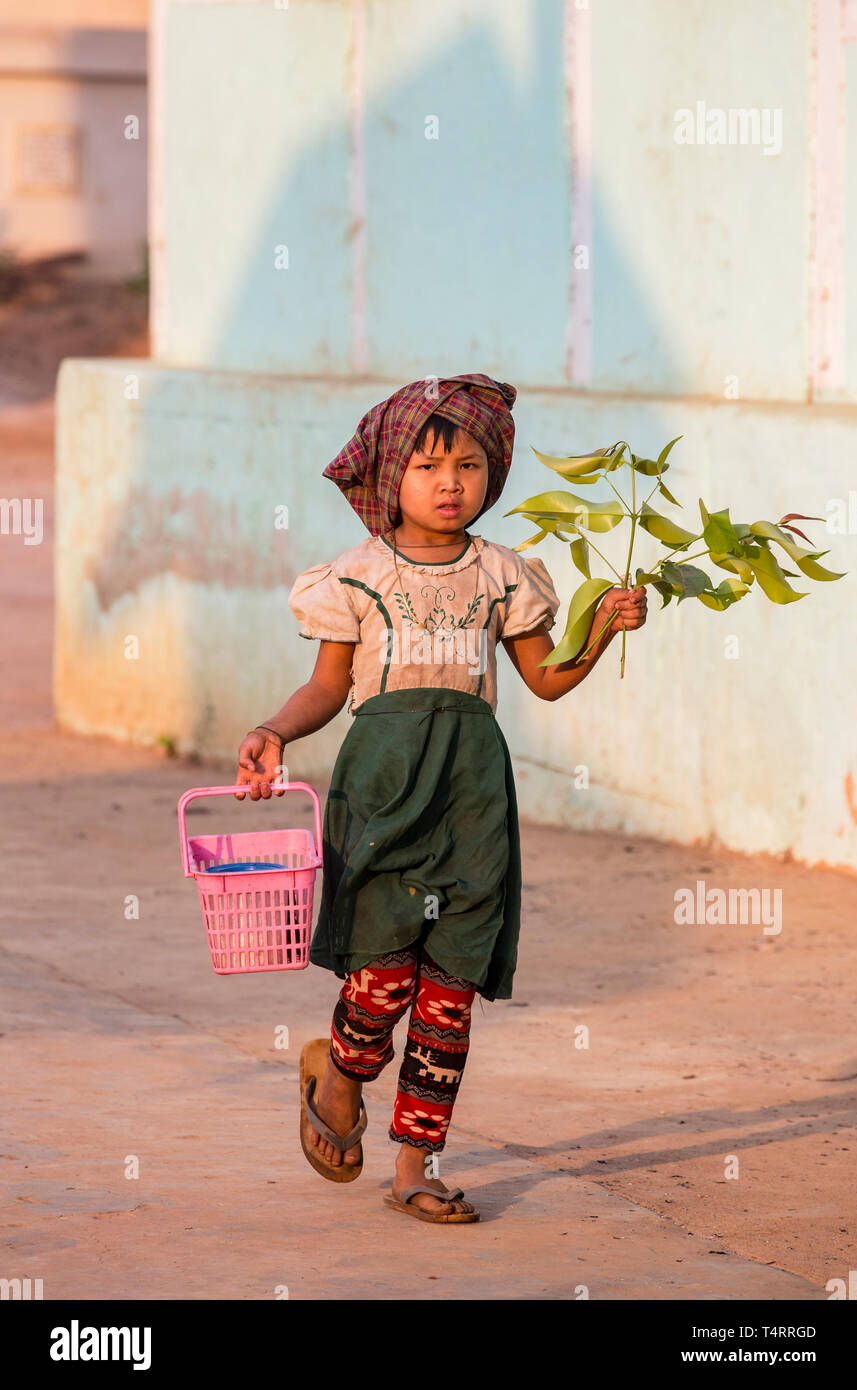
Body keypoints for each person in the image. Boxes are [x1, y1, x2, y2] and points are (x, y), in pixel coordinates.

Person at [235, 373, 647, 1223]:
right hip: (382, 793)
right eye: (428, 466)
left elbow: (547, 679)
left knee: (451, 984)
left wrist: (603, 626)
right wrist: (275, 731)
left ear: (491, 476)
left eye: (468, 465)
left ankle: (416, 1166)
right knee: (383, 973)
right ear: (391, 477)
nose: (450, 482)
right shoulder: (350, 578)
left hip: (472, 800)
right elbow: (325, 687)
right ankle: (342, 1068)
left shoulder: (504, 576)